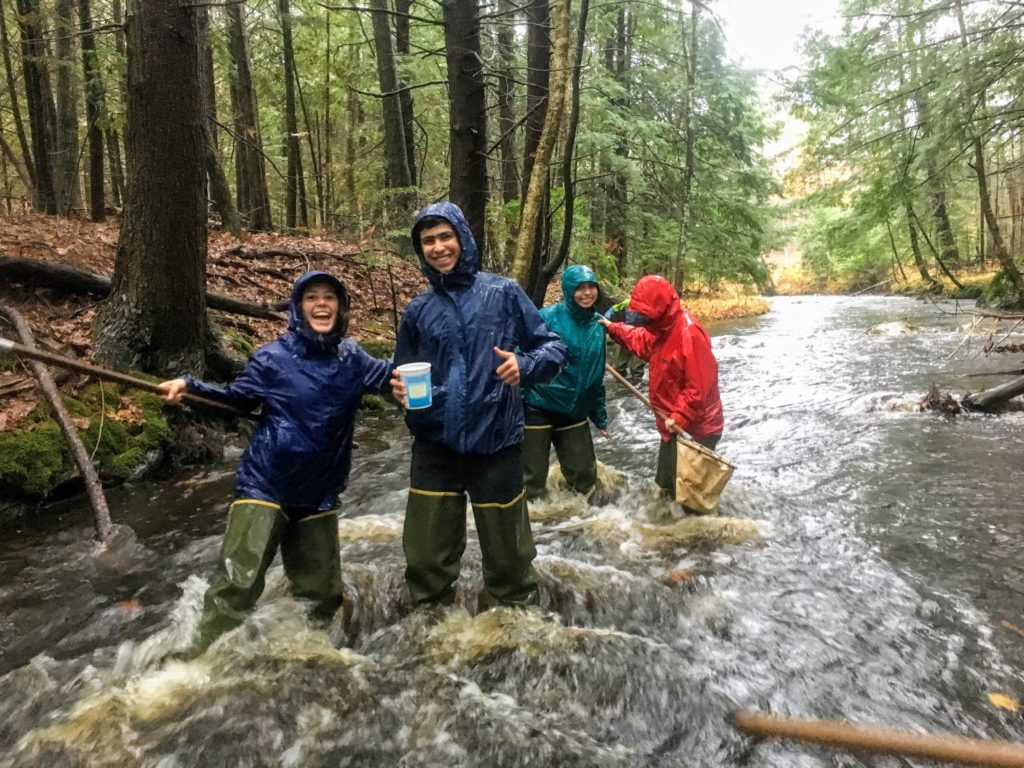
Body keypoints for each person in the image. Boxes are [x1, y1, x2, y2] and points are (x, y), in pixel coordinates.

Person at [158, 271, 392, 653]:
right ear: (299, 307)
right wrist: (189, 385)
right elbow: (236, 400)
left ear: (341, 307)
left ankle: (309, 661)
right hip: (265, 486)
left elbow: (394, 377)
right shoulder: (272, 358)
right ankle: (199, 661)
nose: (321, 304)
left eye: (329, 297)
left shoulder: (354, 360)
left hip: (319, 494)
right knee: (237, 587)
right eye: (311, 297)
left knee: (322, 597)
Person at [390, 202, 567, 608]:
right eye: (428, 241)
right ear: (420, 250)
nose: (438, 248)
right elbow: (400, 371)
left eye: (444, 237)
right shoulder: (418, 310)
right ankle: (431, 619)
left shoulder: (502, 292)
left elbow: (554, 347)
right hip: (434, 444)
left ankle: (514, 616)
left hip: (496, 441)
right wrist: (396, 389)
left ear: (462, 239)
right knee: (425, 554)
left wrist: (525, 365)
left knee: (510, 555)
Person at [596, 274, 723, 501]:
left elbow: (700, 386)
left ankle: (690, 531)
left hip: (696, 429)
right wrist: (612, 328)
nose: (641, 318)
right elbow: (640, 339)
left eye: (645, 313)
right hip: (671, 424)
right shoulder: (660, 331)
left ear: (659, 309)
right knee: (667, 488)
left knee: (689, 496)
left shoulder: (689, 333)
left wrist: (680, 416)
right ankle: (668, 521)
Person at [521, 264, 609, 501]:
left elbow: (596, 376)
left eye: (592, 287)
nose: (587, 293)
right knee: (531, 483)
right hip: (538, 406)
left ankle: (582, 526)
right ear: (569, 290)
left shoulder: (598, 326)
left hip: (574, 410)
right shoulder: (547, 317)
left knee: (586, 481)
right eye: (580, 288)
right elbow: (522, 356)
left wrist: (599, 416)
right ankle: (539, 531)